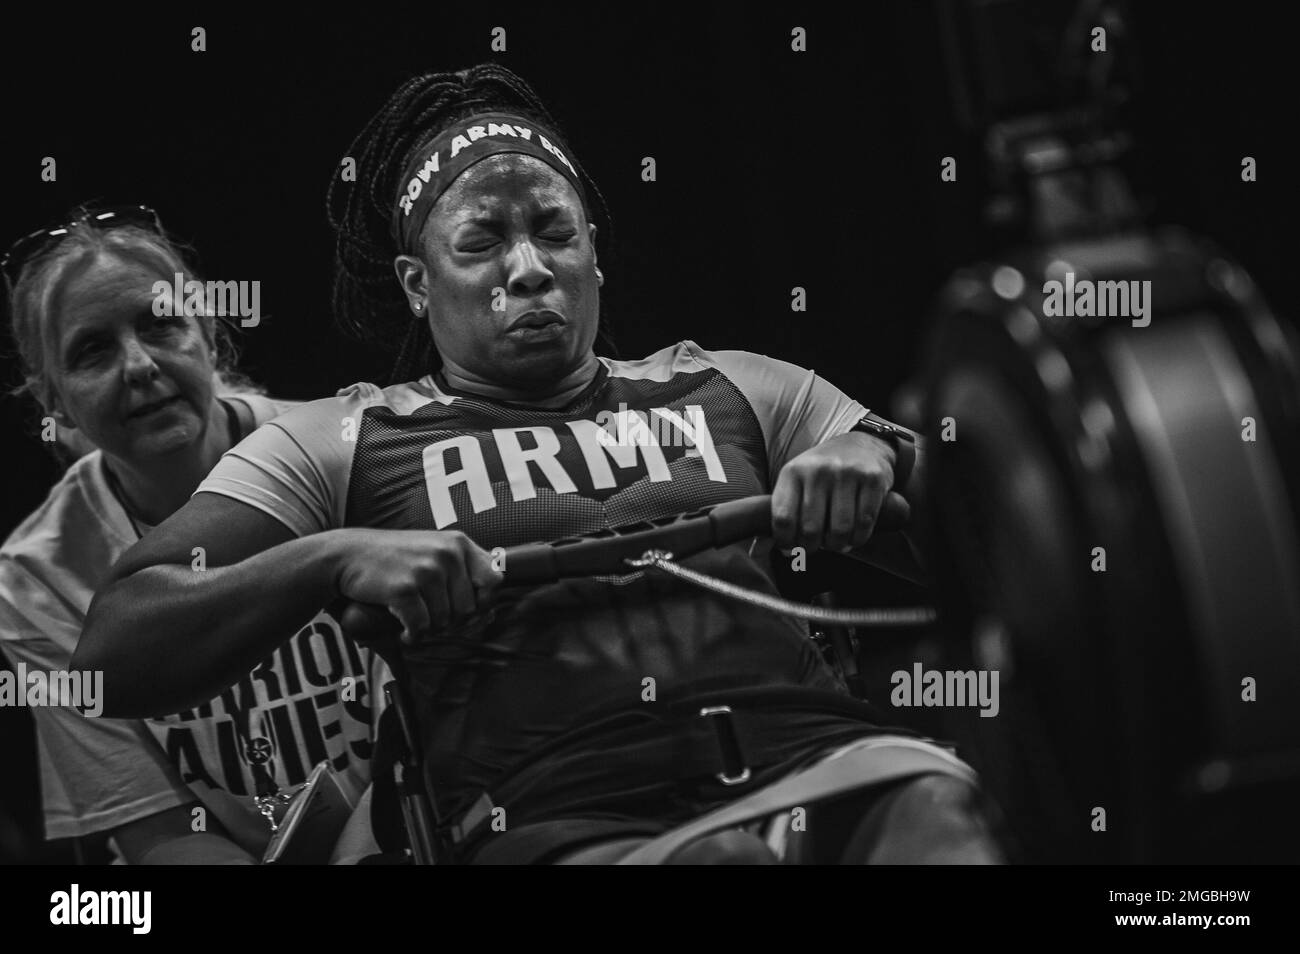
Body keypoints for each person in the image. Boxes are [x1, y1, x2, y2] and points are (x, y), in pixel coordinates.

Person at [76, 67, 1003, 864]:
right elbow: (116, 648)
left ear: (594, 256)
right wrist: (329, 558)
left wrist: (874, 454)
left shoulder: (743, 388)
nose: (527, 267)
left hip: (820, 759)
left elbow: (1005, 529)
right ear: (415, 283)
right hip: (558, 819)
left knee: (943, 815)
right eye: (480, 242)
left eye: (555, 233)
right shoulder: (336, 441)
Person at [0, 205, 383, 864]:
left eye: (161, 325)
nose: (140, 365)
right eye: (92, 350)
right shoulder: (36, 578)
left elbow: (442, 732)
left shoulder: (353, 448)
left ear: (208, 336)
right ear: (52, 400)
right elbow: (161, 835)